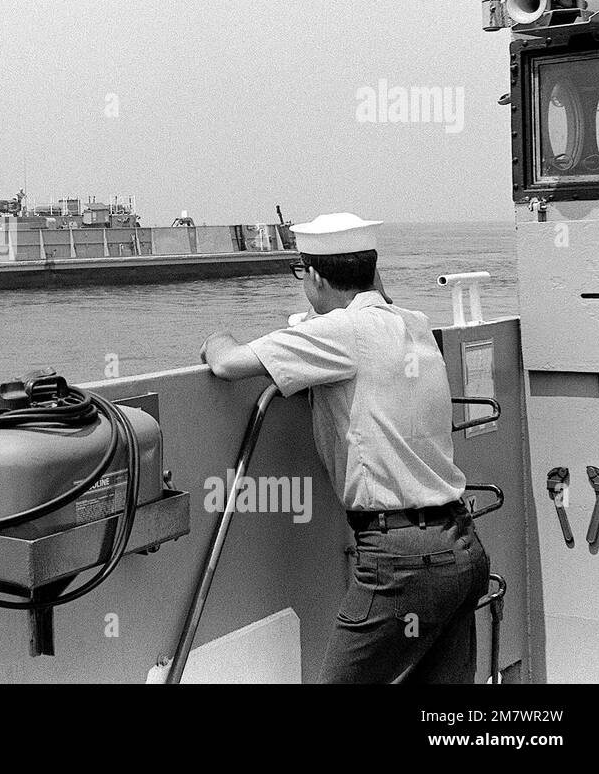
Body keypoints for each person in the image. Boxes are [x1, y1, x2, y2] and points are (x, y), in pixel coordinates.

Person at [199, 212, 490, 683]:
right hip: (460, 545)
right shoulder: (414, 323)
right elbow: (371, 315)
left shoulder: (338, 335)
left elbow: (228, 364)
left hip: (401, 562)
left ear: (313, 275)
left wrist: (216, 338)